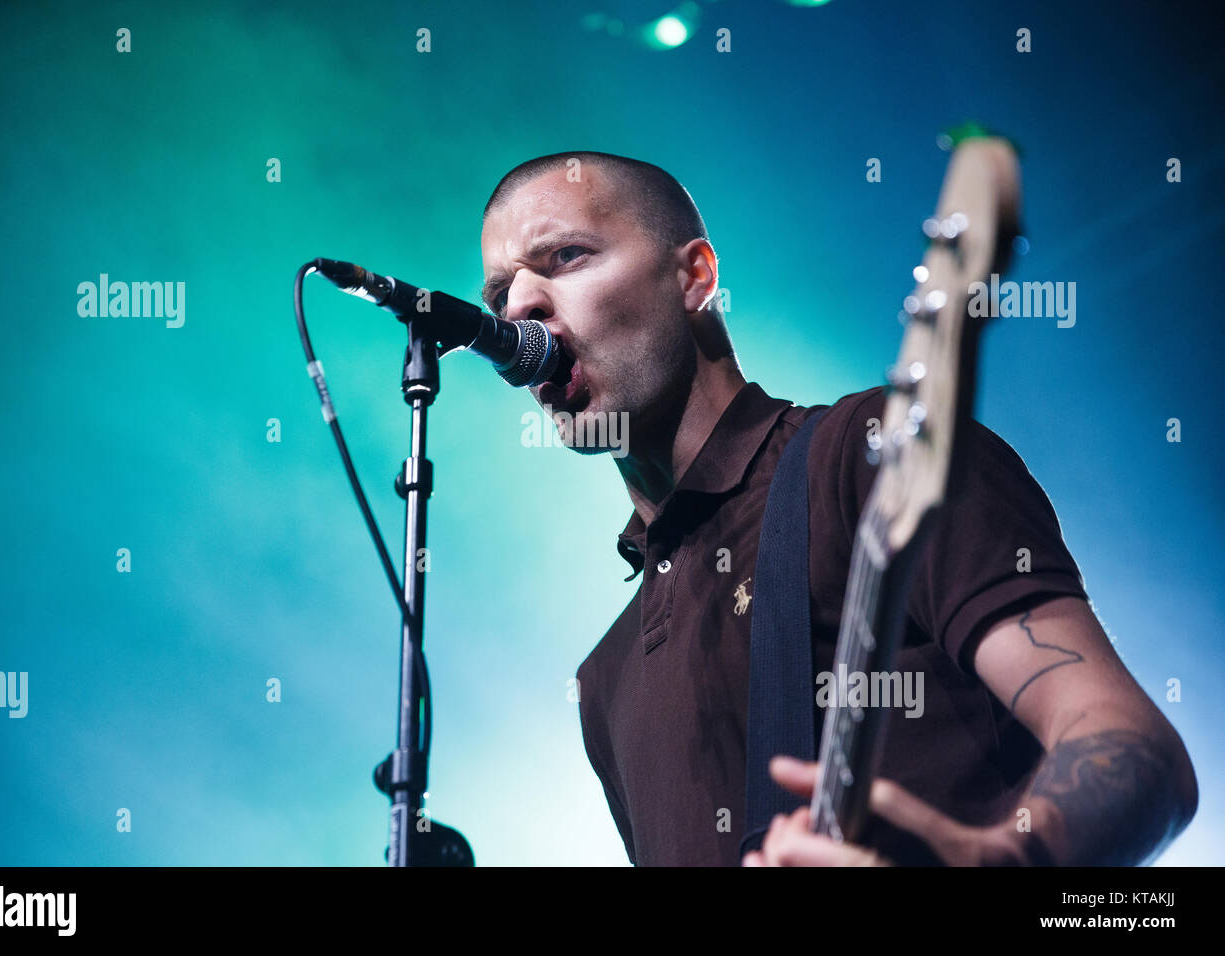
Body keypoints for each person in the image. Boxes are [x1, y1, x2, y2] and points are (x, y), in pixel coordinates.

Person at [479, 150, 1198, 866]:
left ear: (694, 276)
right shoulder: (605, 678)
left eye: (566, 257)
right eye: (499, 295)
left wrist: (992, 860)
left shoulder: (869, 456)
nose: (518, 308)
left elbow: (1135, 752)